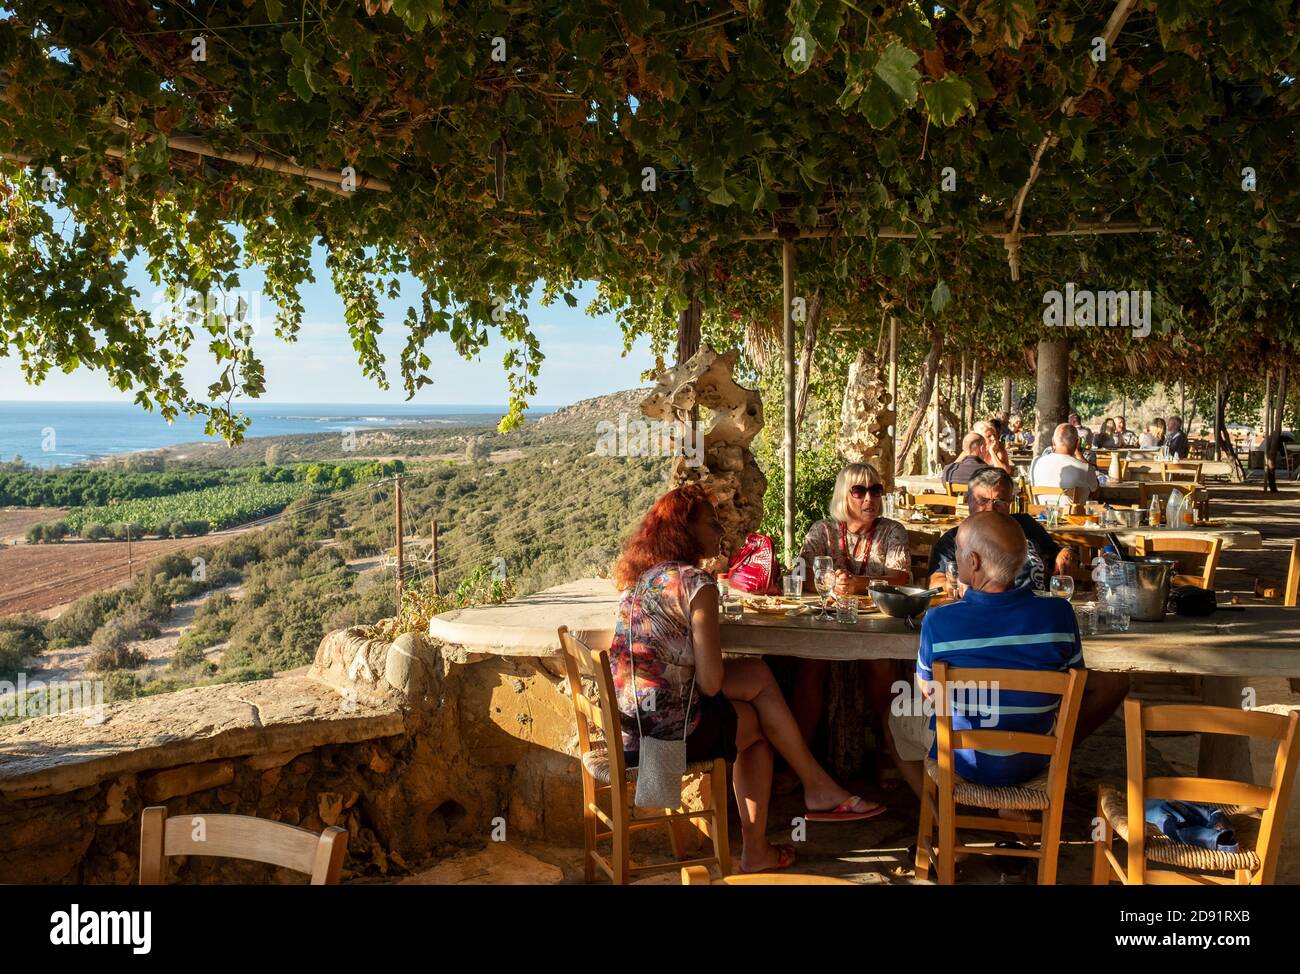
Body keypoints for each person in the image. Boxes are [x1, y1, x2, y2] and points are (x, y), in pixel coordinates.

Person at [611, 484, 884, 874]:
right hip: (663, 742)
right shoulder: (696, 584)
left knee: (757, 673)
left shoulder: (642, 579)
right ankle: (774, 832)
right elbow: (710, 683)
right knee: (755, 731)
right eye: (711, 522)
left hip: (630, 728)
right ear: (686, 531)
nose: (719, 530)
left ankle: (815, 787)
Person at [890, 512, 1130, 796]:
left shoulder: (938, 620)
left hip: (966, 760)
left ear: (974, 562)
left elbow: (928, 690)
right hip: (1033, 759)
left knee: (893, 714)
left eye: (959, 552)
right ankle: (1017, 800)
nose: (955, 557)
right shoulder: (1059, 613)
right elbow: (1073, 681)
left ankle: (940, 813)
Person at [795, 462, 911, 784]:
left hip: (875, 626)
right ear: (844, 496)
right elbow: (802, 574)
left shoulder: (891, 530)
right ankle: (800, 763)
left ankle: (895, 755)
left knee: (879, 665)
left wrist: (859, 584)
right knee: (811, 665)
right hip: (829, 624)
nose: (868, 498)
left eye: (875, 490)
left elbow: (901, 577)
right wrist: (829, 581)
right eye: (858, 491)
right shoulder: (823, 531)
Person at [927, 466, 1073, 593]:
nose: (990, 508)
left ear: (1010, 502)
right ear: (968, 500)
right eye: (982, 500)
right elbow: (936, 581)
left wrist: (1065, 552)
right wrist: (951, 584)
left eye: (999, 501)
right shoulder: (954, 538)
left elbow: (1056, 552)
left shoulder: (1026, 525)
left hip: (1037, 611)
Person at [1030, 423, 1099, 502]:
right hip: (1072, 514)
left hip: (1040, 513)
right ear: (1077, 443)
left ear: (1053, 441)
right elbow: (1096, 492)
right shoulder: (1085, 468)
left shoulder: (1036, 462)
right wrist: (1079, 455)